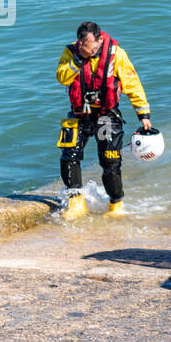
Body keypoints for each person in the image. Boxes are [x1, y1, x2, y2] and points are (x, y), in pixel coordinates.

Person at [55, 21, 153, 217]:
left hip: (105, 116)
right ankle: (76, 202)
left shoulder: (117, 55)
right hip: (80, 115)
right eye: (81, 43)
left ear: (99, 40)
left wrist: (143, 114)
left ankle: (115, 205)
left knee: (110, 161)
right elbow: (62, 77)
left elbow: (132, 83)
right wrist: (79, 59)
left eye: (89, 43)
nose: (85, 47)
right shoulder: (71, 53)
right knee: (69, 156)